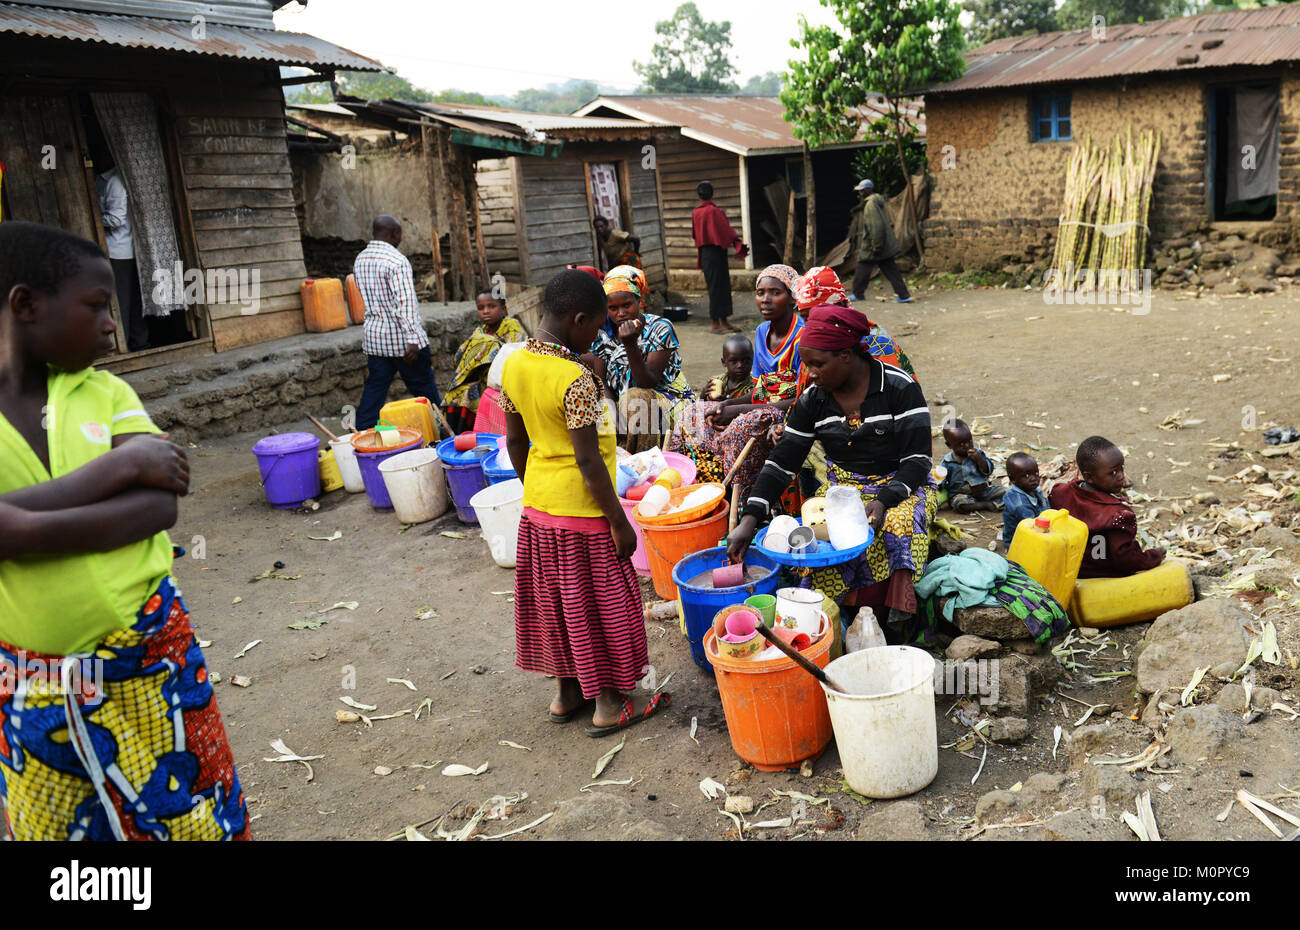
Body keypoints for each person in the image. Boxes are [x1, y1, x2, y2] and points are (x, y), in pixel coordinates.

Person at [0, 222, 248, 840]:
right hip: (30, 681)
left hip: (150, 655)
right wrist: (118, 465)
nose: (112, 324)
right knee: (63, 833)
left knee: (194, 812)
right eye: (95, 306)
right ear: (25, 305)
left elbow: (159, 508)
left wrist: (20, 527)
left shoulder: (105, 391)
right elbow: (135, 484)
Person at [497, 269, 670, 737]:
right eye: (596, 326)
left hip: (538, 509)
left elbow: (515, 442)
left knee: (557, 603)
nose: (598, 334)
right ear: (578, 319)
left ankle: (567, 693)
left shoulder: (512, 364)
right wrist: (619, 521)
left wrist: (537, 489)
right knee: (603, 605)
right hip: (585, 513)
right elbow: (589, 461)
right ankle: (610, 703)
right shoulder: (576, 379)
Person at [727, 306, 937, 640]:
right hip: (845, 492)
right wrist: (749, 520)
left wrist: (883, 501)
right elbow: (783, 462)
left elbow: (918, 461)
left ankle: (892, 628)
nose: (809, 373)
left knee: (894, 527)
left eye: (817, 364)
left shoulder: (898, 387)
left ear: (846, 355)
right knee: (821, 547)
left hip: (902, 486)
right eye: (806, 364)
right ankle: (842, 625)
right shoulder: (813, 400)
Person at [592, 265, 693, 453]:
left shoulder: (660, 329)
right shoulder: (603, 335)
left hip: (664, 403)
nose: (620, 313)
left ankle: (641, 460)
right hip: (624, 408)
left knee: (635, 398)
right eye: (613, 308)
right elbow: (601, 381)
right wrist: (611, 412)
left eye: (626, 305)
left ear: (640, 301)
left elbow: (647, 382)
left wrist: (630, 344)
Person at [354, 214, 441, 431]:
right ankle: (443, 431)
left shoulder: (361, 259)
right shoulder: (397, 261)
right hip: (404, 344)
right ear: (395, 234)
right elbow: (406, 303)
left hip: (376, 340)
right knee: (425, 391)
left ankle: (360, 435)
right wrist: (413, 338)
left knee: (374, 391)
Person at [1049, 436, 1166, 578]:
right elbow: (1126, 560)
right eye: (1113, 472)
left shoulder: (1059, 492)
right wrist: (1153, 556)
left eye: (1122, 468)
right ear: (1089, 477)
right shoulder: (1118, 515)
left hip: (1067, 568)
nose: (1122, 476)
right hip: (1100, 575)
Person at [444, 289, 525, 433]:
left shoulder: (512, 327)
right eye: (481, 308)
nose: (486, 311)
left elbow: (513, 355)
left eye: (491, 306)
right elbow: (464, 356)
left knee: (469, 396)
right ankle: (457, 436)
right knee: (455, 395)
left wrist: (488, 344)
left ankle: (477, 433)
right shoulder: (480, 332)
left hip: (506, 380)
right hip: (483, 379)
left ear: (503, 309)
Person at [95, 162, 149, 352]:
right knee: (131, 299)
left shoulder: (115, 182)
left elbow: (117, 218)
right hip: (128, 250)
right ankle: (139, 341)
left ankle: (125, 343)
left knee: (123, 300)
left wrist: (94, 217)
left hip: (119, 250)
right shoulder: (113, 179)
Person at [691, 181, 748, 335]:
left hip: (705, 253)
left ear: (699, 195)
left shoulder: (696, 212)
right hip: (715, 252)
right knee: (718, 287)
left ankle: (724, 320)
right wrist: (736, 240)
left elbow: (694, 234)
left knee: (719, 286)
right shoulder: (714, 211)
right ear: (712, 193)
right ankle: (715, 323)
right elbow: (726, 231)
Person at [850, 179, 912, 303]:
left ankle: (858, 294)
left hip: (874, 245)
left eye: (862, 190)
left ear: (868, 190)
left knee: (863, 267)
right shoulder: (877, 201)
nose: (860, 193)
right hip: (882, 244)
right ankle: (903, 295)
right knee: (891, 270)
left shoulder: (870, 205)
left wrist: (876, 246)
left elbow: (876, 227)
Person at [940, 418, 1006, 513]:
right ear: (949, 445)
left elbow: (989, 470)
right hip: (962, 494)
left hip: (984, 490)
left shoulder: (977, 453)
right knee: (960, 503)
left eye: (969, 441)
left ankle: (994, 504)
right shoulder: (948, 462)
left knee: (1009, 493)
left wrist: (980, 460)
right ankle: (984, 505)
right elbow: (941, 481)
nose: (967, 446)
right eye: (961, 444)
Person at [1002, 452, 1049, 548]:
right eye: (1027, 476)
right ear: (1013, 479)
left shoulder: (1033, 490)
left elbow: (1046, 507)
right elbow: (1033, 526)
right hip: (1018, 542)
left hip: (1033, 530)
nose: (1034, 479)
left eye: (1036, 473)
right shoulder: (1019, 504)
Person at [703, 335, 756, 402]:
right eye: (734, 361)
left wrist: (728, 401)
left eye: (746, 361)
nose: (740, 365)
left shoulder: (754, 386)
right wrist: (703, 396)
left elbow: (750, 404)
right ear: (724, 362)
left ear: (753, 360)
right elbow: (701, 405)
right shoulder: (716, 381)